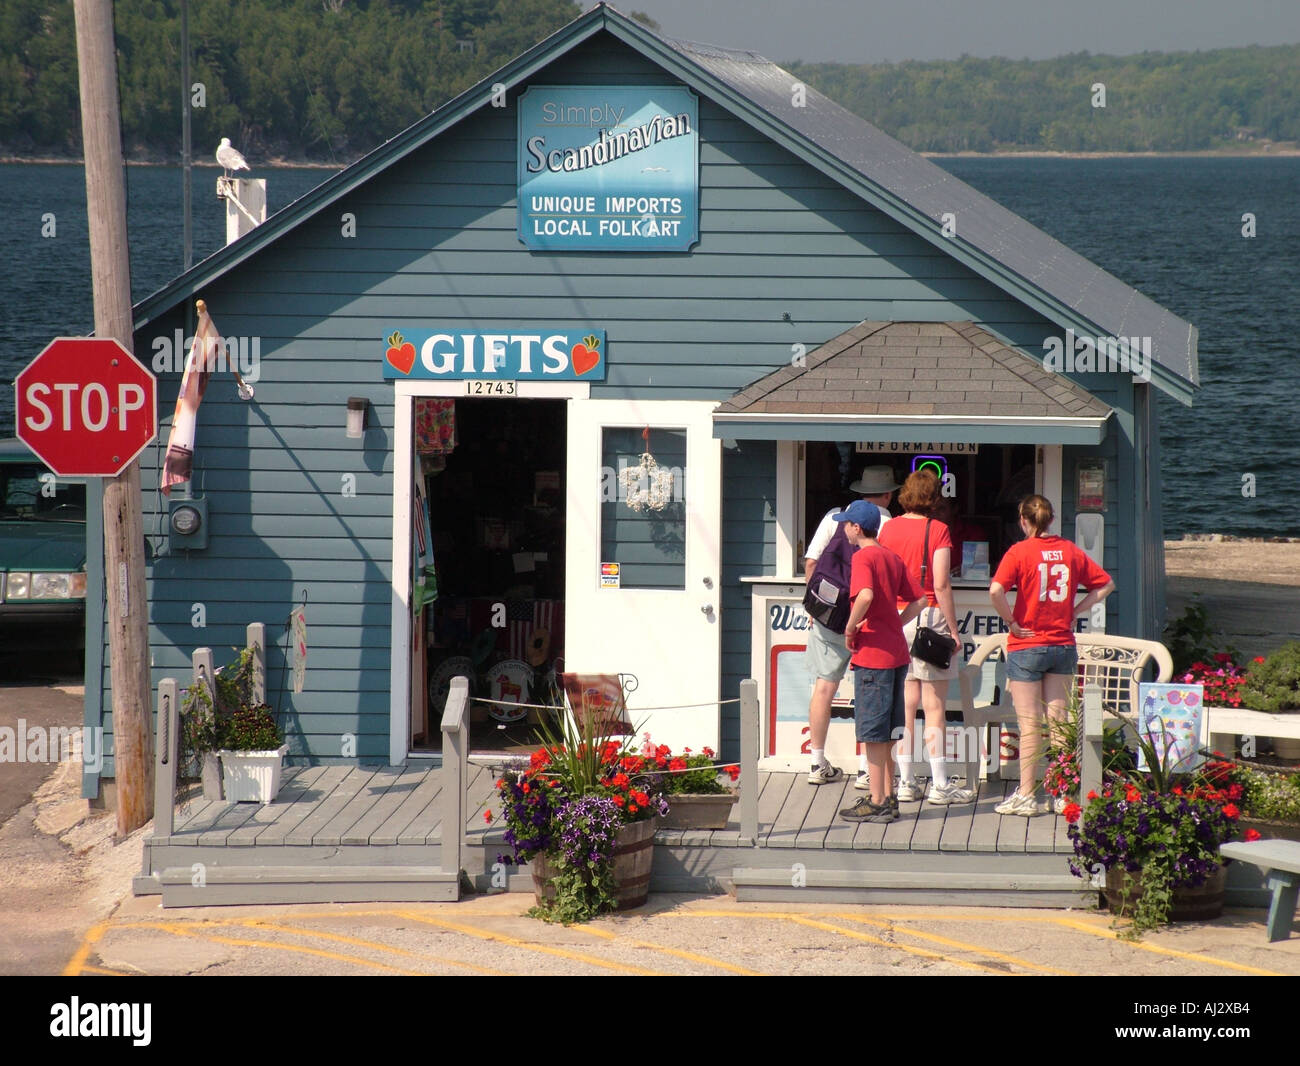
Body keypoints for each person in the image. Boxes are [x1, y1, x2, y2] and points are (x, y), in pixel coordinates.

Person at [988, 494, 1115, 816]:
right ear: (1051, 519)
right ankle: (1061, 792)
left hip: (1027, 644)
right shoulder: (1070, 551)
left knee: (1029, 724)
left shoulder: (1019, 551)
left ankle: (1027, 795)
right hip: (1062, 644)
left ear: (1023, 520)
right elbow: (1105, 585)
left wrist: (1011, 622)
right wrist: (1076, 611)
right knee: (1059, 723)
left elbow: (996, 590)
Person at [878, 470, 974, 805]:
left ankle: (905, 781)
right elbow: (941, 584)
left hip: (896, 618)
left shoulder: (887, 529)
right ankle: (940, 784)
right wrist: (953, 628)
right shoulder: (939, 529)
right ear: (934, 498)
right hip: (929, 617)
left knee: (904, 705)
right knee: (934, 706)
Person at [801, 465, 898, 786]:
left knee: (824, 688)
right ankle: (863, 768)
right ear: (888, 494)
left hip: (830, 620)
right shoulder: (888, 524)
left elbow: (812, 562)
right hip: (866, 621)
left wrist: (817, 605)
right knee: (867, 694)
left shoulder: (834, 517)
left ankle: (816, 762)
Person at [834, 500, 926, 823]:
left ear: (857, 528)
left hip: (873, 654)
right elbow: (920, 599)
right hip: (897, 652)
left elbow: (866, 596)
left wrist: (850, 626)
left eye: (846, 523)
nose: (843, 528)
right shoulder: (891, 556)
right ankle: (887, 795)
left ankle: (876, 800)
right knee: (889, 729)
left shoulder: (863, 557)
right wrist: (896, 622)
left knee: (872, 731)